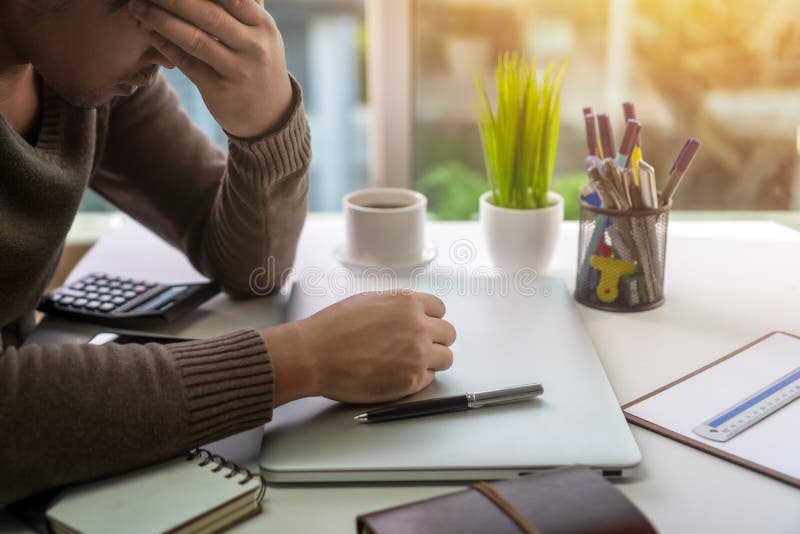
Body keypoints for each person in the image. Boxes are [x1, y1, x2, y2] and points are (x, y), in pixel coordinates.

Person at [0, 0, 456, 506]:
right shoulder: (85, 58)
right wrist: (302, 360)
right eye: (159, 6)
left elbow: (250, 266)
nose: (171, 57)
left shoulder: (81, 73)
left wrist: (266, 120)